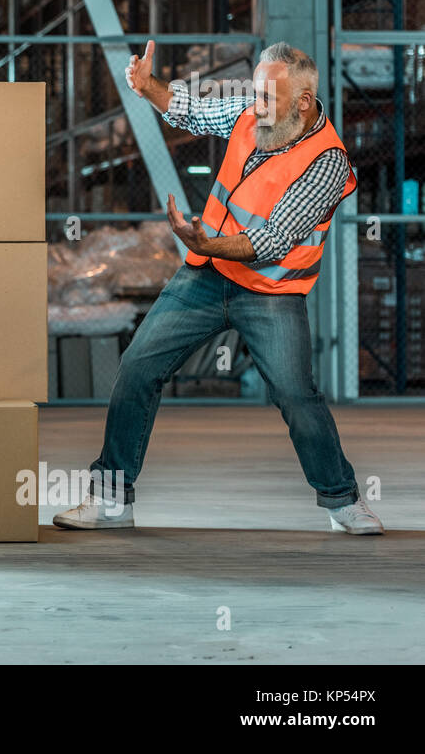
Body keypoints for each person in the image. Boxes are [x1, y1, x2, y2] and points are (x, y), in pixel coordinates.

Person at [54, 41, 384, 534]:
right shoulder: (255, 108)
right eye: (255, 96)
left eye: (269, 99)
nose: (258, 106)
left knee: (296, 395)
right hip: (205, 277)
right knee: (139, 366)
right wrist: (148, 88)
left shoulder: (328, 164)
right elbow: (195, 110)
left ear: (303, 103)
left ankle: (342, 501)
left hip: (270, 293)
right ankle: (110, 499)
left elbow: (269, 241)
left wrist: (206, 241)